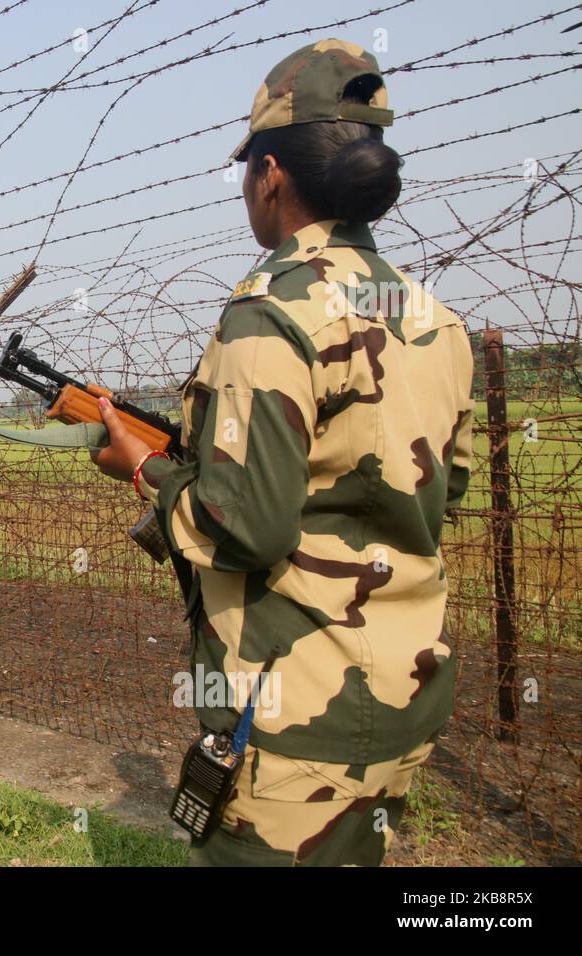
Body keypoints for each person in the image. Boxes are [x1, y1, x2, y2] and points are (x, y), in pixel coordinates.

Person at [90, 39, 473, 866]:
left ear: (270, 175)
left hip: (293, 718)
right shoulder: (434, 319)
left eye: (245, 174)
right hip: (404, 697)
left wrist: (148, 470)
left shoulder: (268, 313)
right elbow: (448, 484)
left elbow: (249, 528)